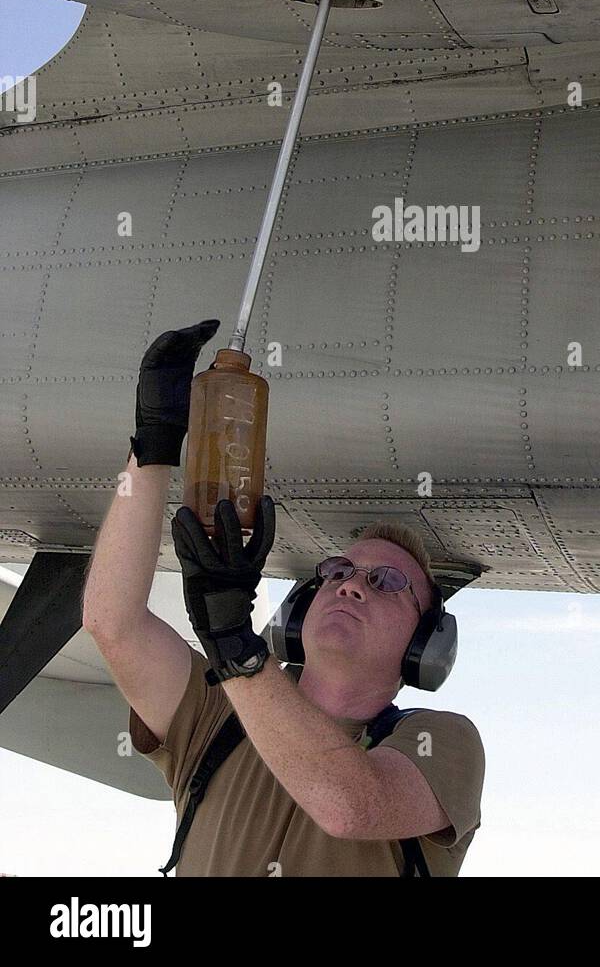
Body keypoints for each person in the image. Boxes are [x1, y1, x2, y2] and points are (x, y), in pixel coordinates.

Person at [82, 322, 486, 876]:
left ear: (423, 642)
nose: (350, 584)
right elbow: (111, 621)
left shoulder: (440, 741)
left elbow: (349, 806)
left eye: (386, 583)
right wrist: (153, 446)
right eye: (341, 570)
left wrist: (237, 649)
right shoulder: (216, 714)